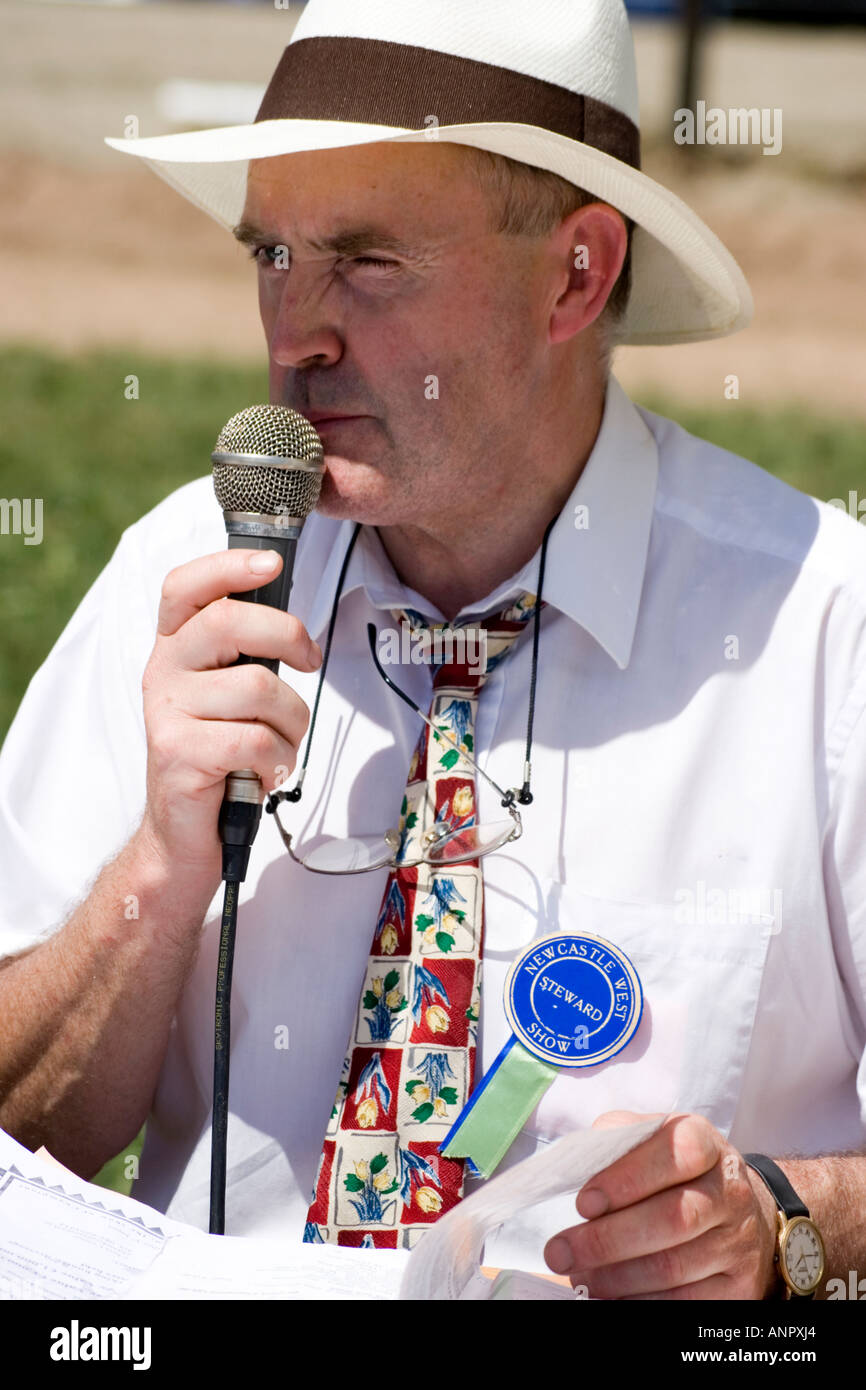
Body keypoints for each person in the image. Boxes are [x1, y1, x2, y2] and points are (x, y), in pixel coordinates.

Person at [1, 0, 865, 1297]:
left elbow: (805, 1231)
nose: (295, 331)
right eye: (273, 255)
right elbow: (24, 1131)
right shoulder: (188, 579)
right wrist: (158, 872)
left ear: (574, 274)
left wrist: (787, 1229)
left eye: (366, 262)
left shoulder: (816, 629)